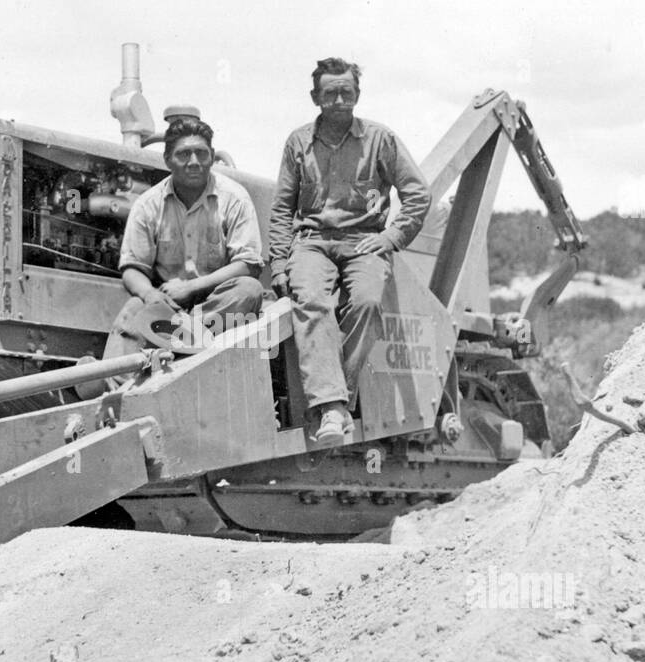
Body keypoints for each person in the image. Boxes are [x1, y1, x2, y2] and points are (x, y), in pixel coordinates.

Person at [268, 57, 433, 445]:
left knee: (367, 302)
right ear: (315, 97)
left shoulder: (380, 139)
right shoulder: (297, 142)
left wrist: (391, 238)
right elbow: (281, 208)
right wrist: (278, 262)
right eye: (330, 93)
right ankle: (332, 408)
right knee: (311, 300)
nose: (339, 99)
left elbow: (417, 194)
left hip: (363, 241)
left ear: (357, 94)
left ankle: (335, 403)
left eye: (346, 91)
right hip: (311, 241)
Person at [104, 118, 265, 365]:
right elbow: (133, 267)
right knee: (132, 312)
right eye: (183, 154)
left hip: (215, 298)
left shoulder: (235, 198)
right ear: (167, 159)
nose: (193, 162)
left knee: (249, 290)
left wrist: (191, 287)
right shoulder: (147, 204)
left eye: (201, 153)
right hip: (165, 300)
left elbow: (248, 264)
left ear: (212, 156)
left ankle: (173, 340)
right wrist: (149, 295)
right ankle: (113, 389)